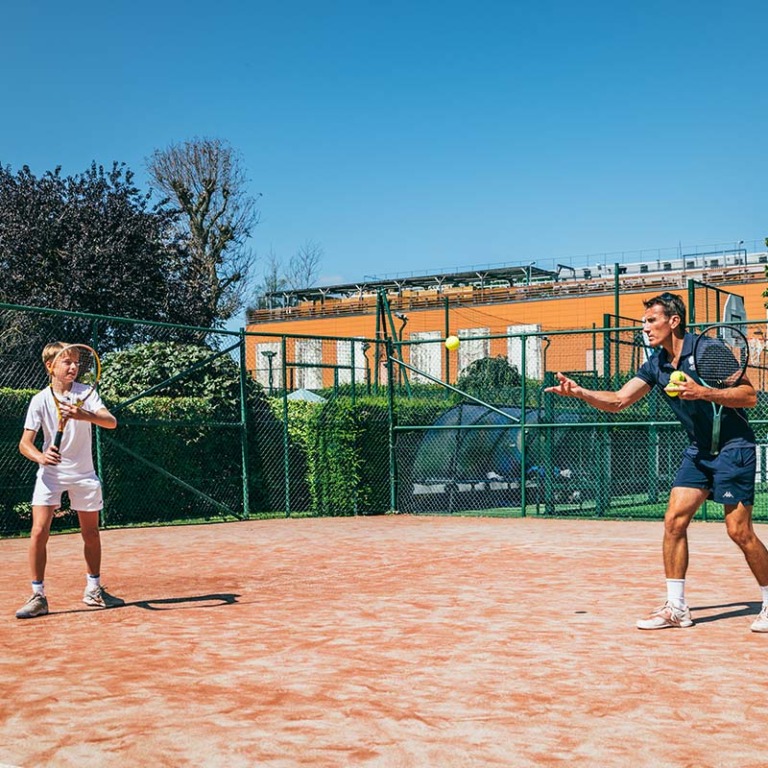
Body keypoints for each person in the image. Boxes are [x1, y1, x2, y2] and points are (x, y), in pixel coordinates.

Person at [545, 292, 768, 632]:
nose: (645, 328)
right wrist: (581, 393)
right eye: (644, 322)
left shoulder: (707, 351)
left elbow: (749, 396)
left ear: (673, 321)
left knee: (739, 531)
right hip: (699, 451)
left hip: (733, 447)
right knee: (674, 522)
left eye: (652, 321)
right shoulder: (657, 364)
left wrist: (703, 392)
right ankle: (677, 608)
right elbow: (619, 400)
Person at [15, 342, 124, 619]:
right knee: (38, 531)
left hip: (84, 474)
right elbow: (25, 444)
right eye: (67, 362)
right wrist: (41, 457)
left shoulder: (86, 393)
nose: (74, 366)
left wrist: (82, 414)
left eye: (76, 361)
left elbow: (110, 421)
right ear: (50, 366)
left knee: (91, 533)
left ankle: (94, 590)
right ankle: (38, 596)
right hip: (51, 474)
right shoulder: (39, 400)